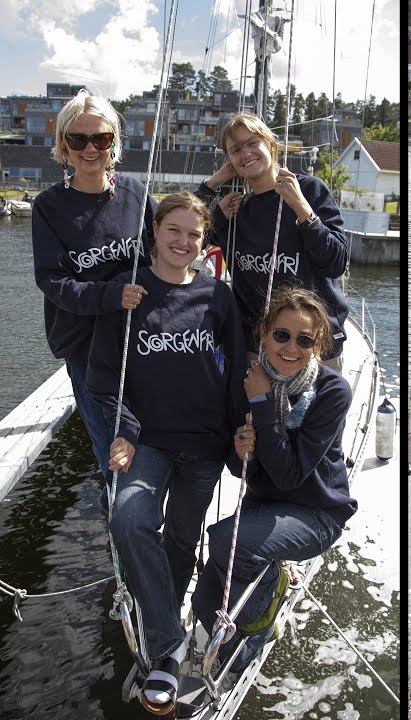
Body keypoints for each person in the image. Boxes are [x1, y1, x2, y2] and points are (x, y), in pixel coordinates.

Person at [87, 193, 245, 708]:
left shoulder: (217, 297)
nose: (183, 242)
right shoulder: (130, 295)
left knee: (181, 540)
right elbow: (103, 378)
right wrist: (126, 432)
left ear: (205, 241)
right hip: (148, 441)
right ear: (155, 230)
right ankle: (169, 640)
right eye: (173, 230)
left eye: (194, 235)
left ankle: (165, 653)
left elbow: (236, 372)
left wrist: (240, 434)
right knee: (130, 521)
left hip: (203, 446)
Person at [191, 287, 356, 678]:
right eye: (281, 335)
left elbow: (289, 474)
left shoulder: (332, 393)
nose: (291, 348)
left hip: (317, 512)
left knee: (226, 539)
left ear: (317, 345)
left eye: (304, 340)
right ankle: (262, 592)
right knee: (203, 601)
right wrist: (240, 450)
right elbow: (241, 468)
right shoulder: (248, 384)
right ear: (263, 333)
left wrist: (263, 404)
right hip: (266, 506)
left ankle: (262, 622)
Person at [32, 89, 155, 486]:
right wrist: (110, 296)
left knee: (152, 440)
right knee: (114, 454)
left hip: (139, 342)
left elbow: (166, 256)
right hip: (87, 350)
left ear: (114, 143)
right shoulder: (49, 206)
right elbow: (52, 280)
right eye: (78, 139)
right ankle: (121, 528)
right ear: (63, 147)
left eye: (101, 138)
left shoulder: (136, 194)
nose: (90, 148)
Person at [196, 111, 350, 370]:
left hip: (313, 346)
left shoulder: (309, 190)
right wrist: (212, 184)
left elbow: (335, 263)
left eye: (252, 143)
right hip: (256, 349)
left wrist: (302, 209)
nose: (245, 153)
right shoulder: (234, 210)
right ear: (230, 160)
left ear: (270, 144)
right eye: (235, 150)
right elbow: (179, 237)